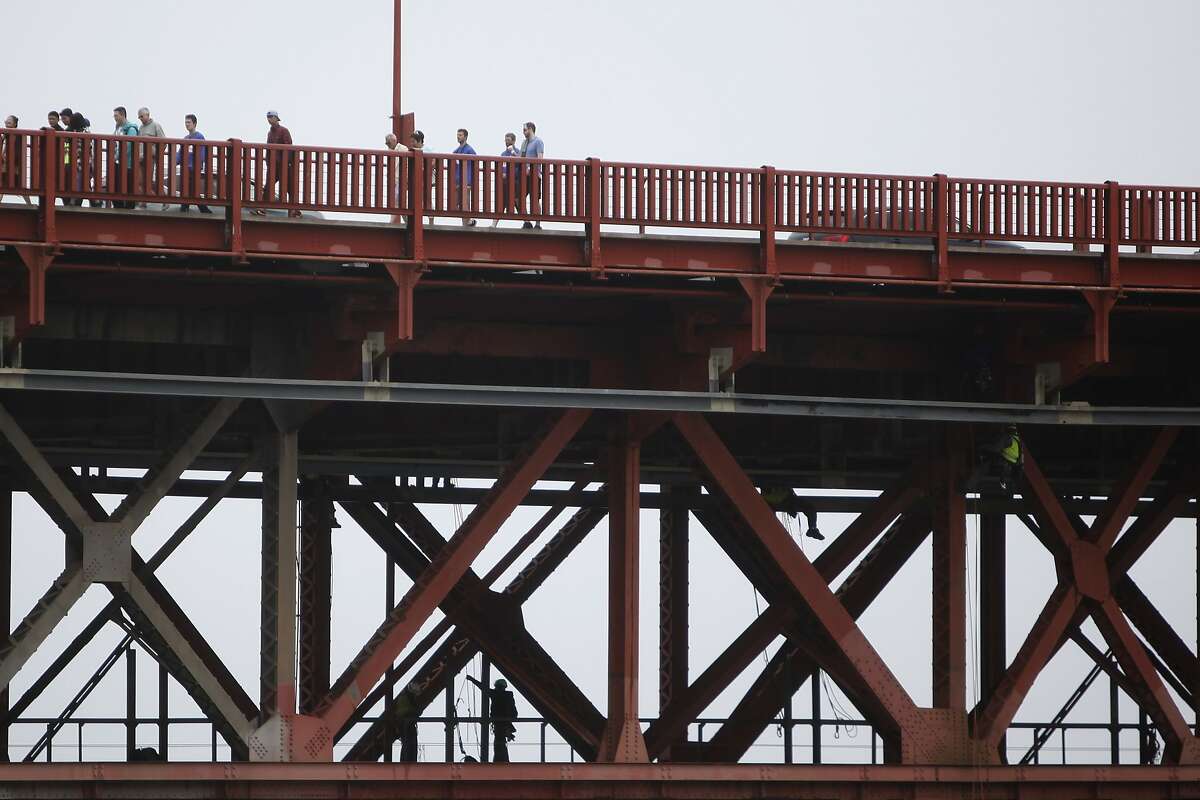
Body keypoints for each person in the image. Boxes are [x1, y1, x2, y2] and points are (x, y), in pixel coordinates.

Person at [258, 110, 300, 217]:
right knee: (268, 187)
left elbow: (289, 147)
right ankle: (262, 209)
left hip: (284, 165)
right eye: (268, 117)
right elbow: (268, 148)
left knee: (289, 187)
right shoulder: (270, 133)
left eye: (271, 116)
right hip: (273, 165)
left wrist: (287, 163)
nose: (269, 119)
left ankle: (295, 210)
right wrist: (268, 162)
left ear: (276, 118)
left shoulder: (284, 131)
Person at [466, 676, 517, 762]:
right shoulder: (509, 695)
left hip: (499, 722)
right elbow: (514, 710)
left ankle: (500, 761)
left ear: (497, 686)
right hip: (505, 722)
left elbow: (482, 687)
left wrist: (471, 679)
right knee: (500, 742)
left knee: (499, 743)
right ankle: (502, 760)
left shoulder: (494, 693)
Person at [177, 114, 211, 213]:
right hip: (185, 168)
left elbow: (202, 153)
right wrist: (175, 162)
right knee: (186, 188)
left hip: (194, 168)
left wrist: (199, 164)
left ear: (194, 124)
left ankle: (192, 207)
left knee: (193, 188)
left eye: (189, 122)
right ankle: (189, 207)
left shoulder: (199, 137)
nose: (187, 124)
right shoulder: (186, 138)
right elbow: (180, 153)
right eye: (185, 122)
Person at [60, 108, 93, 206]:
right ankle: (90, 200)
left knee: (79, 178)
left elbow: (67, 147)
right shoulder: (82, 130)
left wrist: (66, 160)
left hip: (79, 159)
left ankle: (76, 198)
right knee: (83, 179)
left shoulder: (75, 131)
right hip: (81, 159)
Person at [136, 107, 167, 209]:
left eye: (142, 116)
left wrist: (156, 154)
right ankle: (143, 201)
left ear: (148, 115)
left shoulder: (155, 126)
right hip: (140, 158)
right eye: (139, 116)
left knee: (149, 180)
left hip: (150, 157)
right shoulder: (140, 128)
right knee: (140, 181)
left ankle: (164, 200)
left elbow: (163, 142)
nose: (140, 118)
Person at [1, 116, 33, 205]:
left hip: (14, 165)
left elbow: (17, 152)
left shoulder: (17, 135)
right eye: (6, 122)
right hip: (7, 164)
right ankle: (29, 204)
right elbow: (4, 149)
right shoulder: (6, 135)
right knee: (3, 183)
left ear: (15, 124)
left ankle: (29, 204)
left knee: (19, 186)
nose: (6, 125)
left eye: (9, 123)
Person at [112, 107, 140, 208]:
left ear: (122, 115)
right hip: (118, 162)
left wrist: (116, 156)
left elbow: (128, 146)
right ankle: (118, 205)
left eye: (116, 115)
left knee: (128, 186)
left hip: (128, 163)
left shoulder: (131, 129)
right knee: (117, 185)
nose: (114, 118)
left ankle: (129, 207)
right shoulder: (118, 128)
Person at [519, 121, 544, 229]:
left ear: (530, 129)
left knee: (535, 199)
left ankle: (538, 223)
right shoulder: (525, 143)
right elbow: (521, 157)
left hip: (534, 174)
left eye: (525, 130)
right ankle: (527, 221)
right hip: (525, 175)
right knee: (519, 197)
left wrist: (531, 167)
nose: (523, 132)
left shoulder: (538, 141)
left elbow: (540, 159)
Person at [493, 132, 520, 227]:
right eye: (506, 140)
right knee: (501, 201)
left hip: (515, 181)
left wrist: (513, 152)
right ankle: (494, 224)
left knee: (517, 201)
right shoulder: (503, 154)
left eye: (508, 140)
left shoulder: (518, 152)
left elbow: (520, 162)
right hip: (504, 182)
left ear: (513, 141)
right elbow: (502, 166)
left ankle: (526, 221)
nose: (507, 142)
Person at [452, 128, 477, 227]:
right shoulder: (456, 151)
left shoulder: (469, 150)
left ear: (465, 137)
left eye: (460, 135)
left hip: (467, 180)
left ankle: (467, 222)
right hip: (458, 180)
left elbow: (474, 164)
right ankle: (468, 221)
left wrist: (470, 181)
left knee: (465, 202)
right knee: (456, 203)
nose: (458, 137)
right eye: (457, 135)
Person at [997, 424, 1022, 492]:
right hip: (1012, 460)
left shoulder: (1009, 438)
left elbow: (997, 448)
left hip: (1009, 459)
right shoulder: (1017, 439)